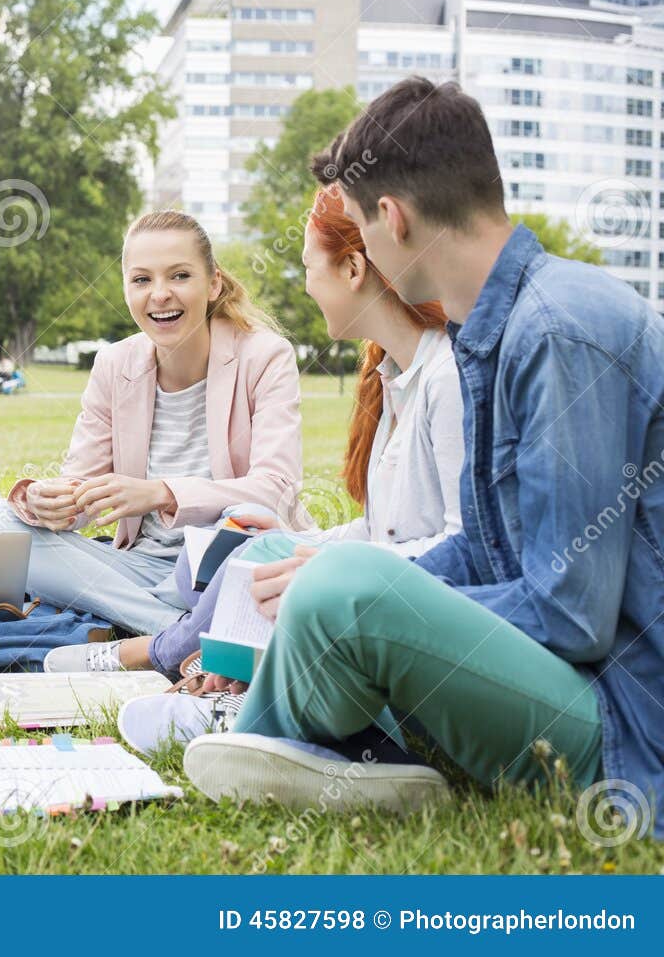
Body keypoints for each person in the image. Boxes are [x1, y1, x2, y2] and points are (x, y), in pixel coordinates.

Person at [183, 78, 664, 833]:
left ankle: (277, 740)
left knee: (348, 583)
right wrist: (376, 587)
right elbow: (482, 547)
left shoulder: (559, 329)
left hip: (624, 724)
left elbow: (571, 614)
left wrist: (377, 596)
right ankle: (307, 744)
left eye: (361, 229)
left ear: (393, 219)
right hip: (567, 683)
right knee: (330, 579)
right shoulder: (495, 332)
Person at [83, 165, 464, 745]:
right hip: (361, 591)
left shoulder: (446, 379)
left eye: (310, 268)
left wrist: (328, 567)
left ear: (354, 269)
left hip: (424, 619)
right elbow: (389, 531)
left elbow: (471, 550)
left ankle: (221, 681)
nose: (308, 286)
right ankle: (232, 678)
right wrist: (312, 546)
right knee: (261, 547)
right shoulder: (395, 378)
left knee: (284, 572)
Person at [0, 210, 304, 637]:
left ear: (213, 283)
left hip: (222, 564)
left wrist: (161, 493)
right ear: (126, 289)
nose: (160, 295)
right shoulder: (114, 364)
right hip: (137, 570)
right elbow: (81, 488)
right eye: (141, 280)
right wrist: (49, 502)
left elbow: (276, 489)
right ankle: (175, 630)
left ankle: (144, 624)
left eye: (179, 276)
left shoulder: (265, 356)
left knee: (247, 518)